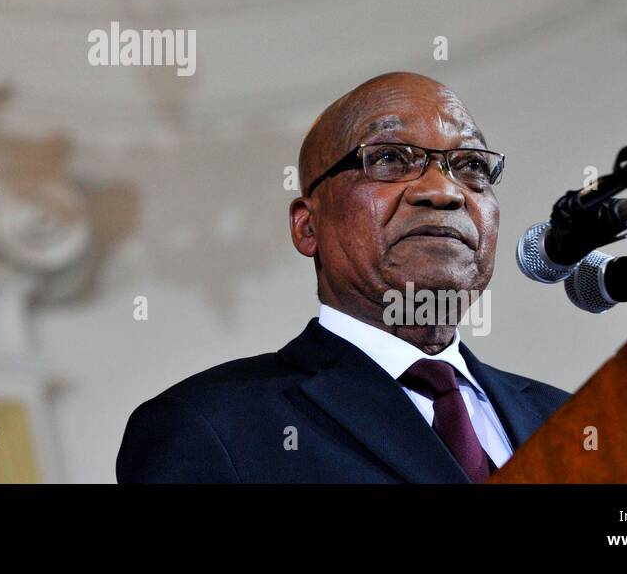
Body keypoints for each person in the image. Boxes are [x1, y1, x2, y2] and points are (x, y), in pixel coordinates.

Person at [117, 71, 570, 482]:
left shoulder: (573, 418)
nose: (443, 191)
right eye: (391, 158)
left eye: (471, 165)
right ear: (307, 226)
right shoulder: (211, 427)